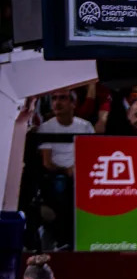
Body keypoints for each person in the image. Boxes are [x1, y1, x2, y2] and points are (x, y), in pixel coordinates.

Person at [37, 90, 93, 240]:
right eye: (54, 98)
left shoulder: (85, 126)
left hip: (81, 174)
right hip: (56, 175)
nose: (57, 102)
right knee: (60, 186)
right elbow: (47, 163)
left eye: (63, 98)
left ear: (73, 104)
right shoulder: (46, 128)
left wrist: (77, 169)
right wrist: (66, 169)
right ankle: (62, 239)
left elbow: (91, 157)